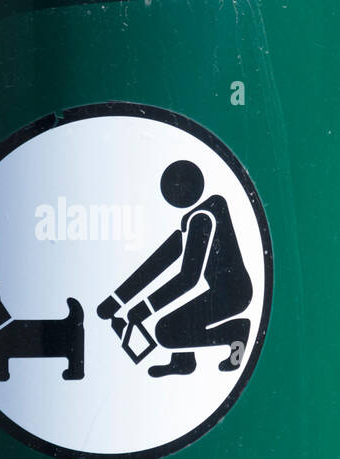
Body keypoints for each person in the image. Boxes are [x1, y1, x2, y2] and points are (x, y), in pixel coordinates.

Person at [97, 159, 252, 377]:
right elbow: (160, 262)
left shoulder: (202, 218)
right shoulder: (196, 216)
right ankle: (184, 361)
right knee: (179, 320)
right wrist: (116, 301)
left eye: (178, 185)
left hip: (231, 294)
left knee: (166, 331)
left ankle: (234, 333)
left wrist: (143, 309)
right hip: (226, 290)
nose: (174, 190)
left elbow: (189, 278)